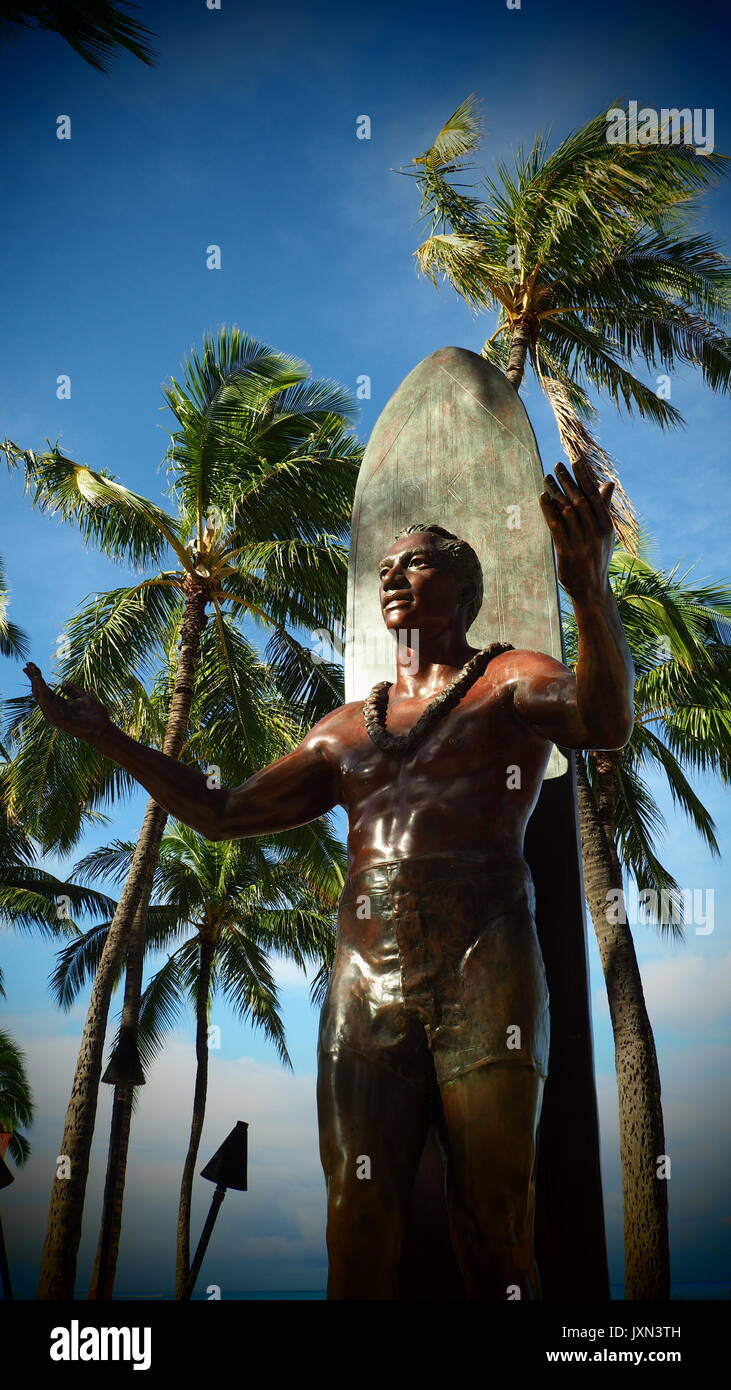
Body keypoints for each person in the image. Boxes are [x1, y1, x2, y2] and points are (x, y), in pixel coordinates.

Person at [25, 457, 635, 1300]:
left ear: (462, 589)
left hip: (483, 956)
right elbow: (224, 811)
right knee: (354, 1219)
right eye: (384, 567)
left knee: (495, 1224)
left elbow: (602, 722)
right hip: (364, 975)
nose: (393, 575)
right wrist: (108, 738)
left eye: (415, 562)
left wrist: (587, 589)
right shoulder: (344, 728)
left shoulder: (508, 677)